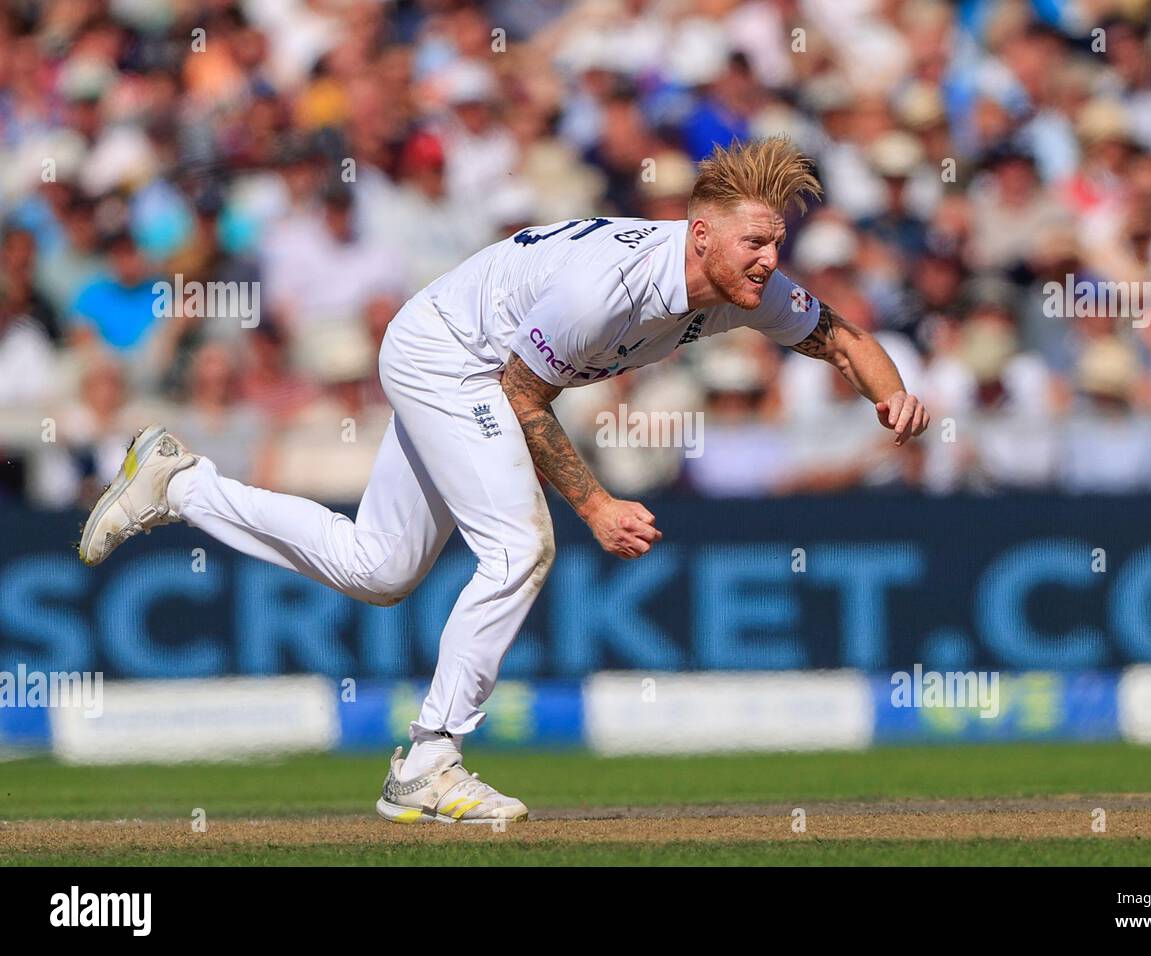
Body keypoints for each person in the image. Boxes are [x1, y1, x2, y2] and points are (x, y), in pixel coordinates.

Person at [77, 137, 930, 824]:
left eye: (777, 240)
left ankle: (178, 486)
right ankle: (429, 759)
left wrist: (891, 398)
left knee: (379, 569)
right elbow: (523, 398)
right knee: (522, 546)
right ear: (702, 234)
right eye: (757, 240)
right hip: (453, 358)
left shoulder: (749, 287)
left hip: (467, 360)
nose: (771, 257)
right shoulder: (612, 287)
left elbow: (845, 337)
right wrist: (594, 504)